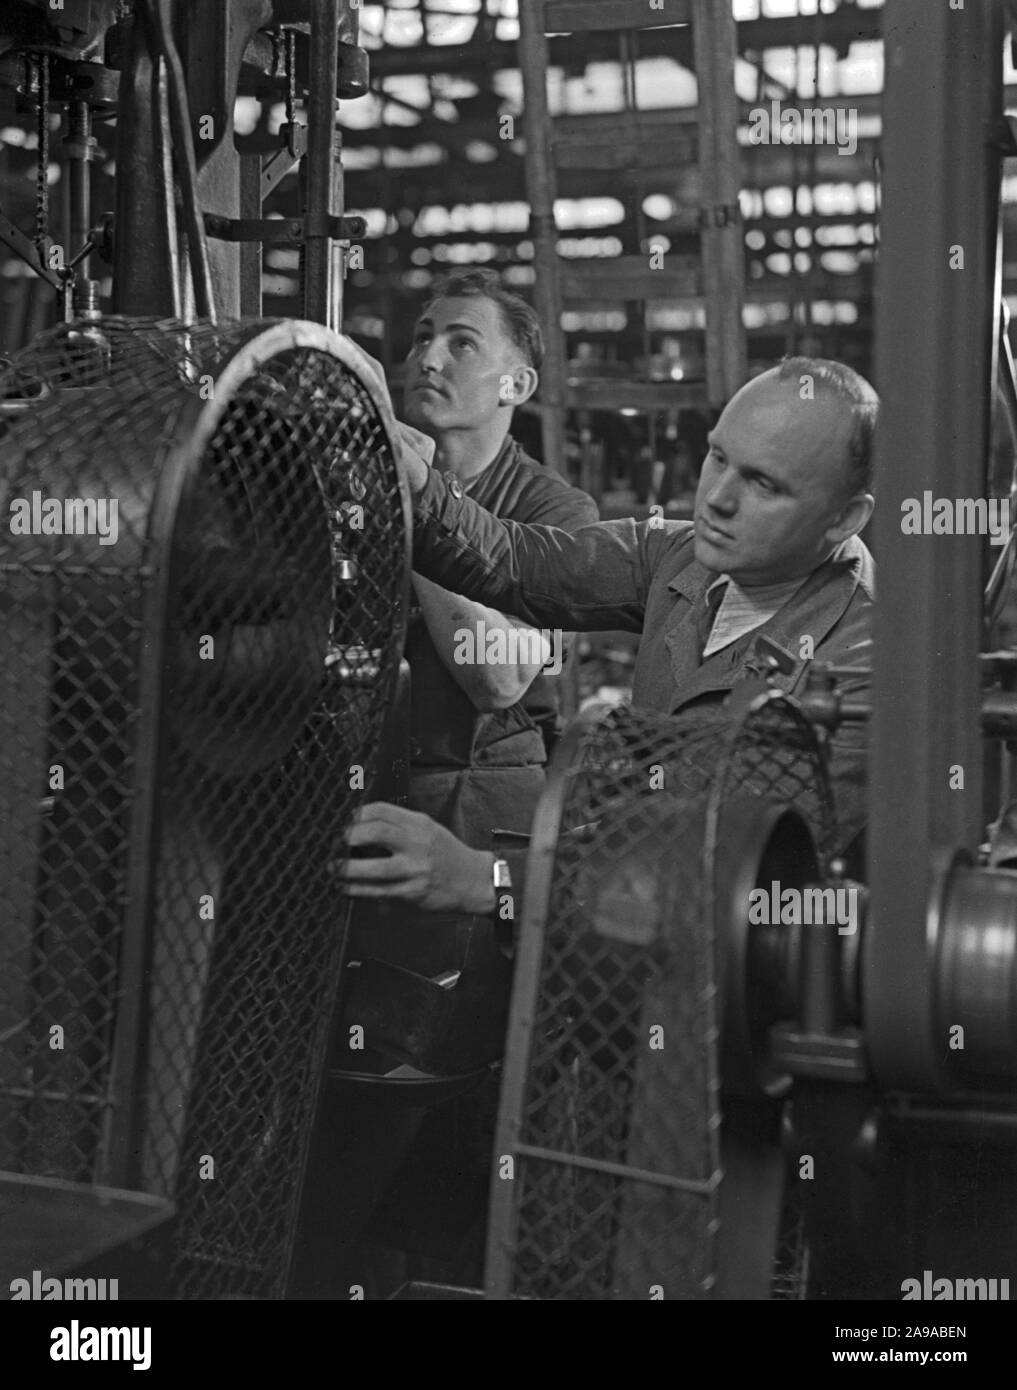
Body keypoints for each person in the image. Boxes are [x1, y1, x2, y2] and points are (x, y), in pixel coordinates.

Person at [340, 357, 877, 912]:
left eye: (764, 484)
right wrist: (416, 483)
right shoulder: (680, 558)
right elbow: (517, 562)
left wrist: (493, 878)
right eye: (718, 457)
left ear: (843, 519)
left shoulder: (861, 666)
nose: (717, 497)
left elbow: (726, 869)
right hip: (628, 950)